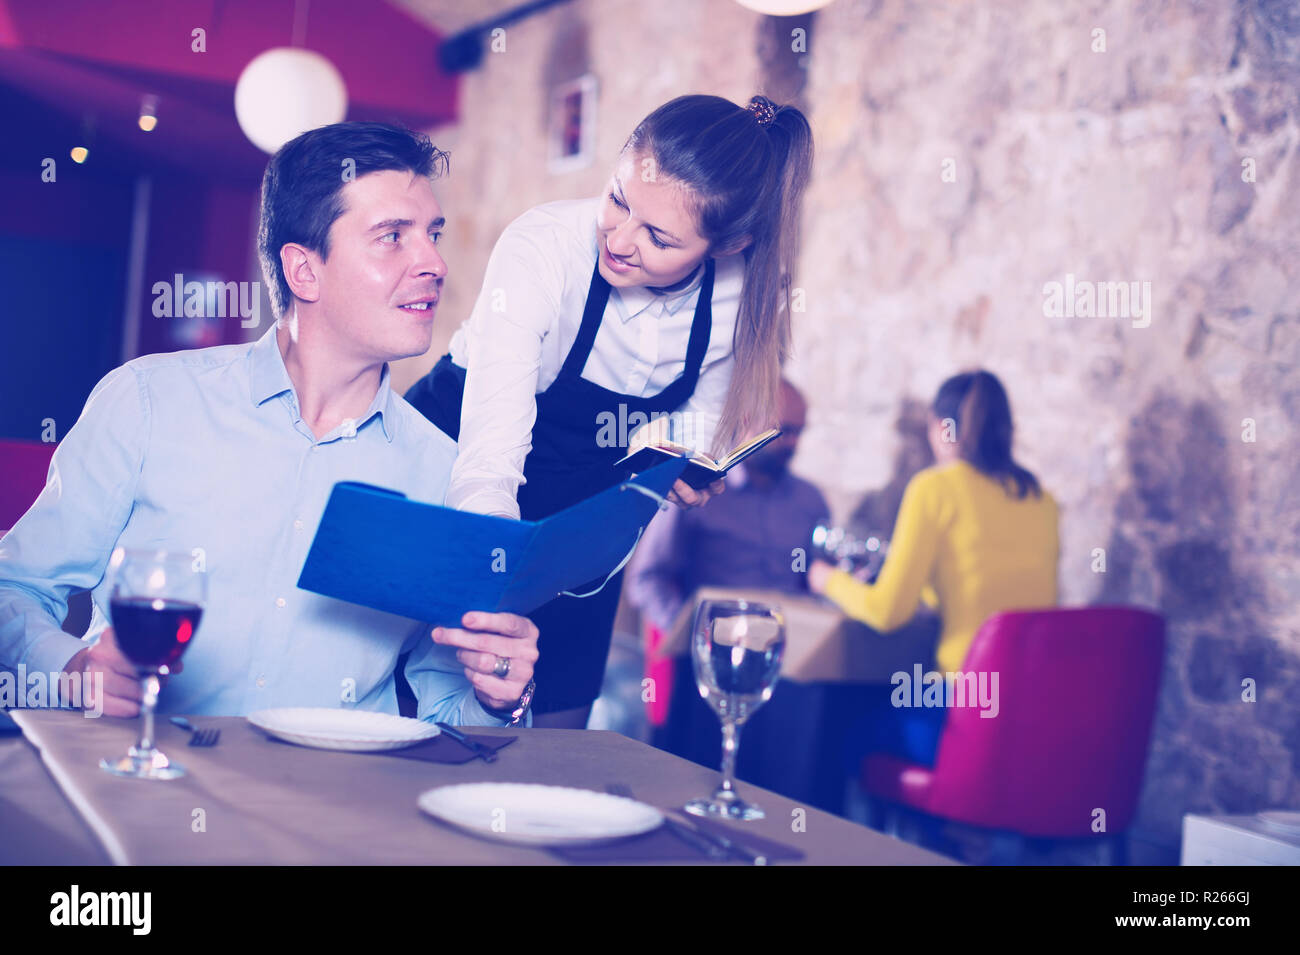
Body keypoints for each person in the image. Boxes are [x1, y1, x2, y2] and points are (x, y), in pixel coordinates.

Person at [0, 122, 538, 725]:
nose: (435, 263)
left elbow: (447, 710)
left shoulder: (448, 475)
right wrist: (72, 671)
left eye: (433, 235)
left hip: (336, 810)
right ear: (303, 271)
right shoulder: (147, 403)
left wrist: (500, 696)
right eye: (392, 237)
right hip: (136, 788)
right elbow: (15, 588)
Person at [405, 93, 814, 728]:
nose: (619, 240)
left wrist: (676, 463)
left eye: (658, 236)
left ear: (729, 244)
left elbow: (697, 423)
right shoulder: (544, 248)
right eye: (618, 199)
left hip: (578, 530)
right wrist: (494, 584)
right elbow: (488, 459)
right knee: (416, 726)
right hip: (453, 483)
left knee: (559, 742)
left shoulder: (741, 297)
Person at [808, 370, 1060, 768]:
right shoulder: (1040, 499)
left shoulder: (935, 488)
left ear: (942, 429)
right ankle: (955, 826)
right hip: (1028, 713)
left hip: (963, 708)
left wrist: (827, 579)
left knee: (838, 723)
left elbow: (887, 613)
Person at [626, 378, 828, 634]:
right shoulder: (696, 490)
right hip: (715, 645)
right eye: (784, 432)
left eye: (800, 432)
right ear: (746, 420)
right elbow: (647, 579)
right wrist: (692, 637)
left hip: (790, 649)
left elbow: (819, 579)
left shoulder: (811, 500)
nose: (794, 444)